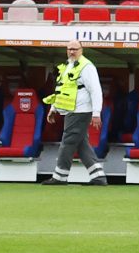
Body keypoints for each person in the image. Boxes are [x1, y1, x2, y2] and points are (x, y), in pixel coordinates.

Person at [42, 37, 108, 185]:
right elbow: (61, 89)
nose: (72, 52)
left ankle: (60, 176)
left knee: (68, 141)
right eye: (69, 49)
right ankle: (98, 176)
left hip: (81, 111)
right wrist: (54, 108)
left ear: (81, 51)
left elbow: (96, 91)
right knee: (81, 144)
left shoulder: (87, 67)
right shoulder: (67, 66)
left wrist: (96, 113)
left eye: (75, 49)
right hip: (71, 110)